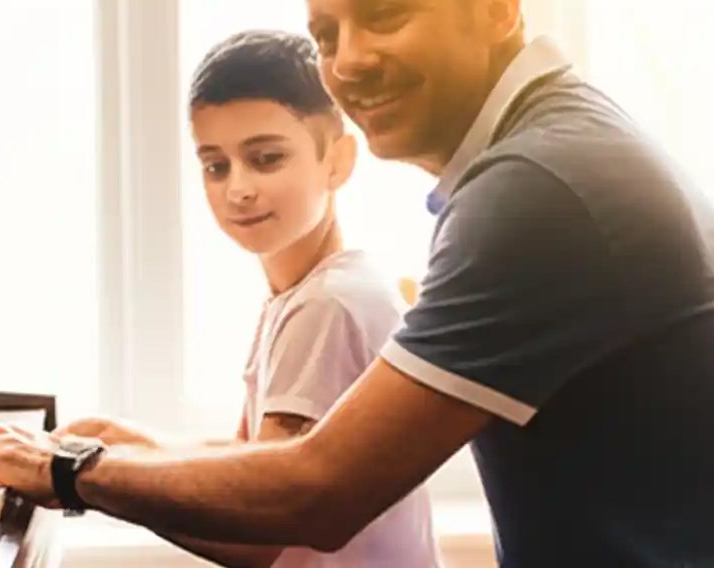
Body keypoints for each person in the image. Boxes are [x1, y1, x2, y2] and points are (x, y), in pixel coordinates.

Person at [0, 0, 714, 566]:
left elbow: (315, 493)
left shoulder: (539, 188)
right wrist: (98, 450)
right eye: (328, 33)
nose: (350, 60)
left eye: (385, 14)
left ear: (497, 8)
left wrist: (61, 470)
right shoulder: (549, 152)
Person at [52, 29, 440, 568]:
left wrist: (87, 480)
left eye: (265, 158)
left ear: (338, 161)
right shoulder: (307, 291)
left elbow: (260, 533)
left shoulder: (327, 306)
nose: (237, 189)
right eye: (216, 165)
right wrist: (135, 444)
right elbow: (254, 460)